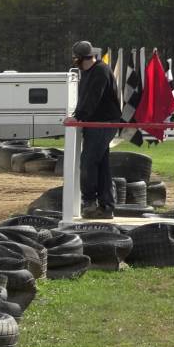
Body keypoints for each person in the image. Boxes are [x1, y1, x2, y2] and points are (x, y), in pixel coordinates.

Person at [70, 40, 120, 219]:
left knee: (88, 162)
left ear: (80, 58)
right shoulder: (88, 72)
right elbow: (84, 99)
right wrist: (77, 114)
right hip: (95, 123)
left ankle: (90, 202)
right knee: (101, 165)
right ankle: (106, 206)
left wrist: (78, 117)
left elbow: (93, 99)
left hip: (103, 123)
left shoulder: (100, 71)